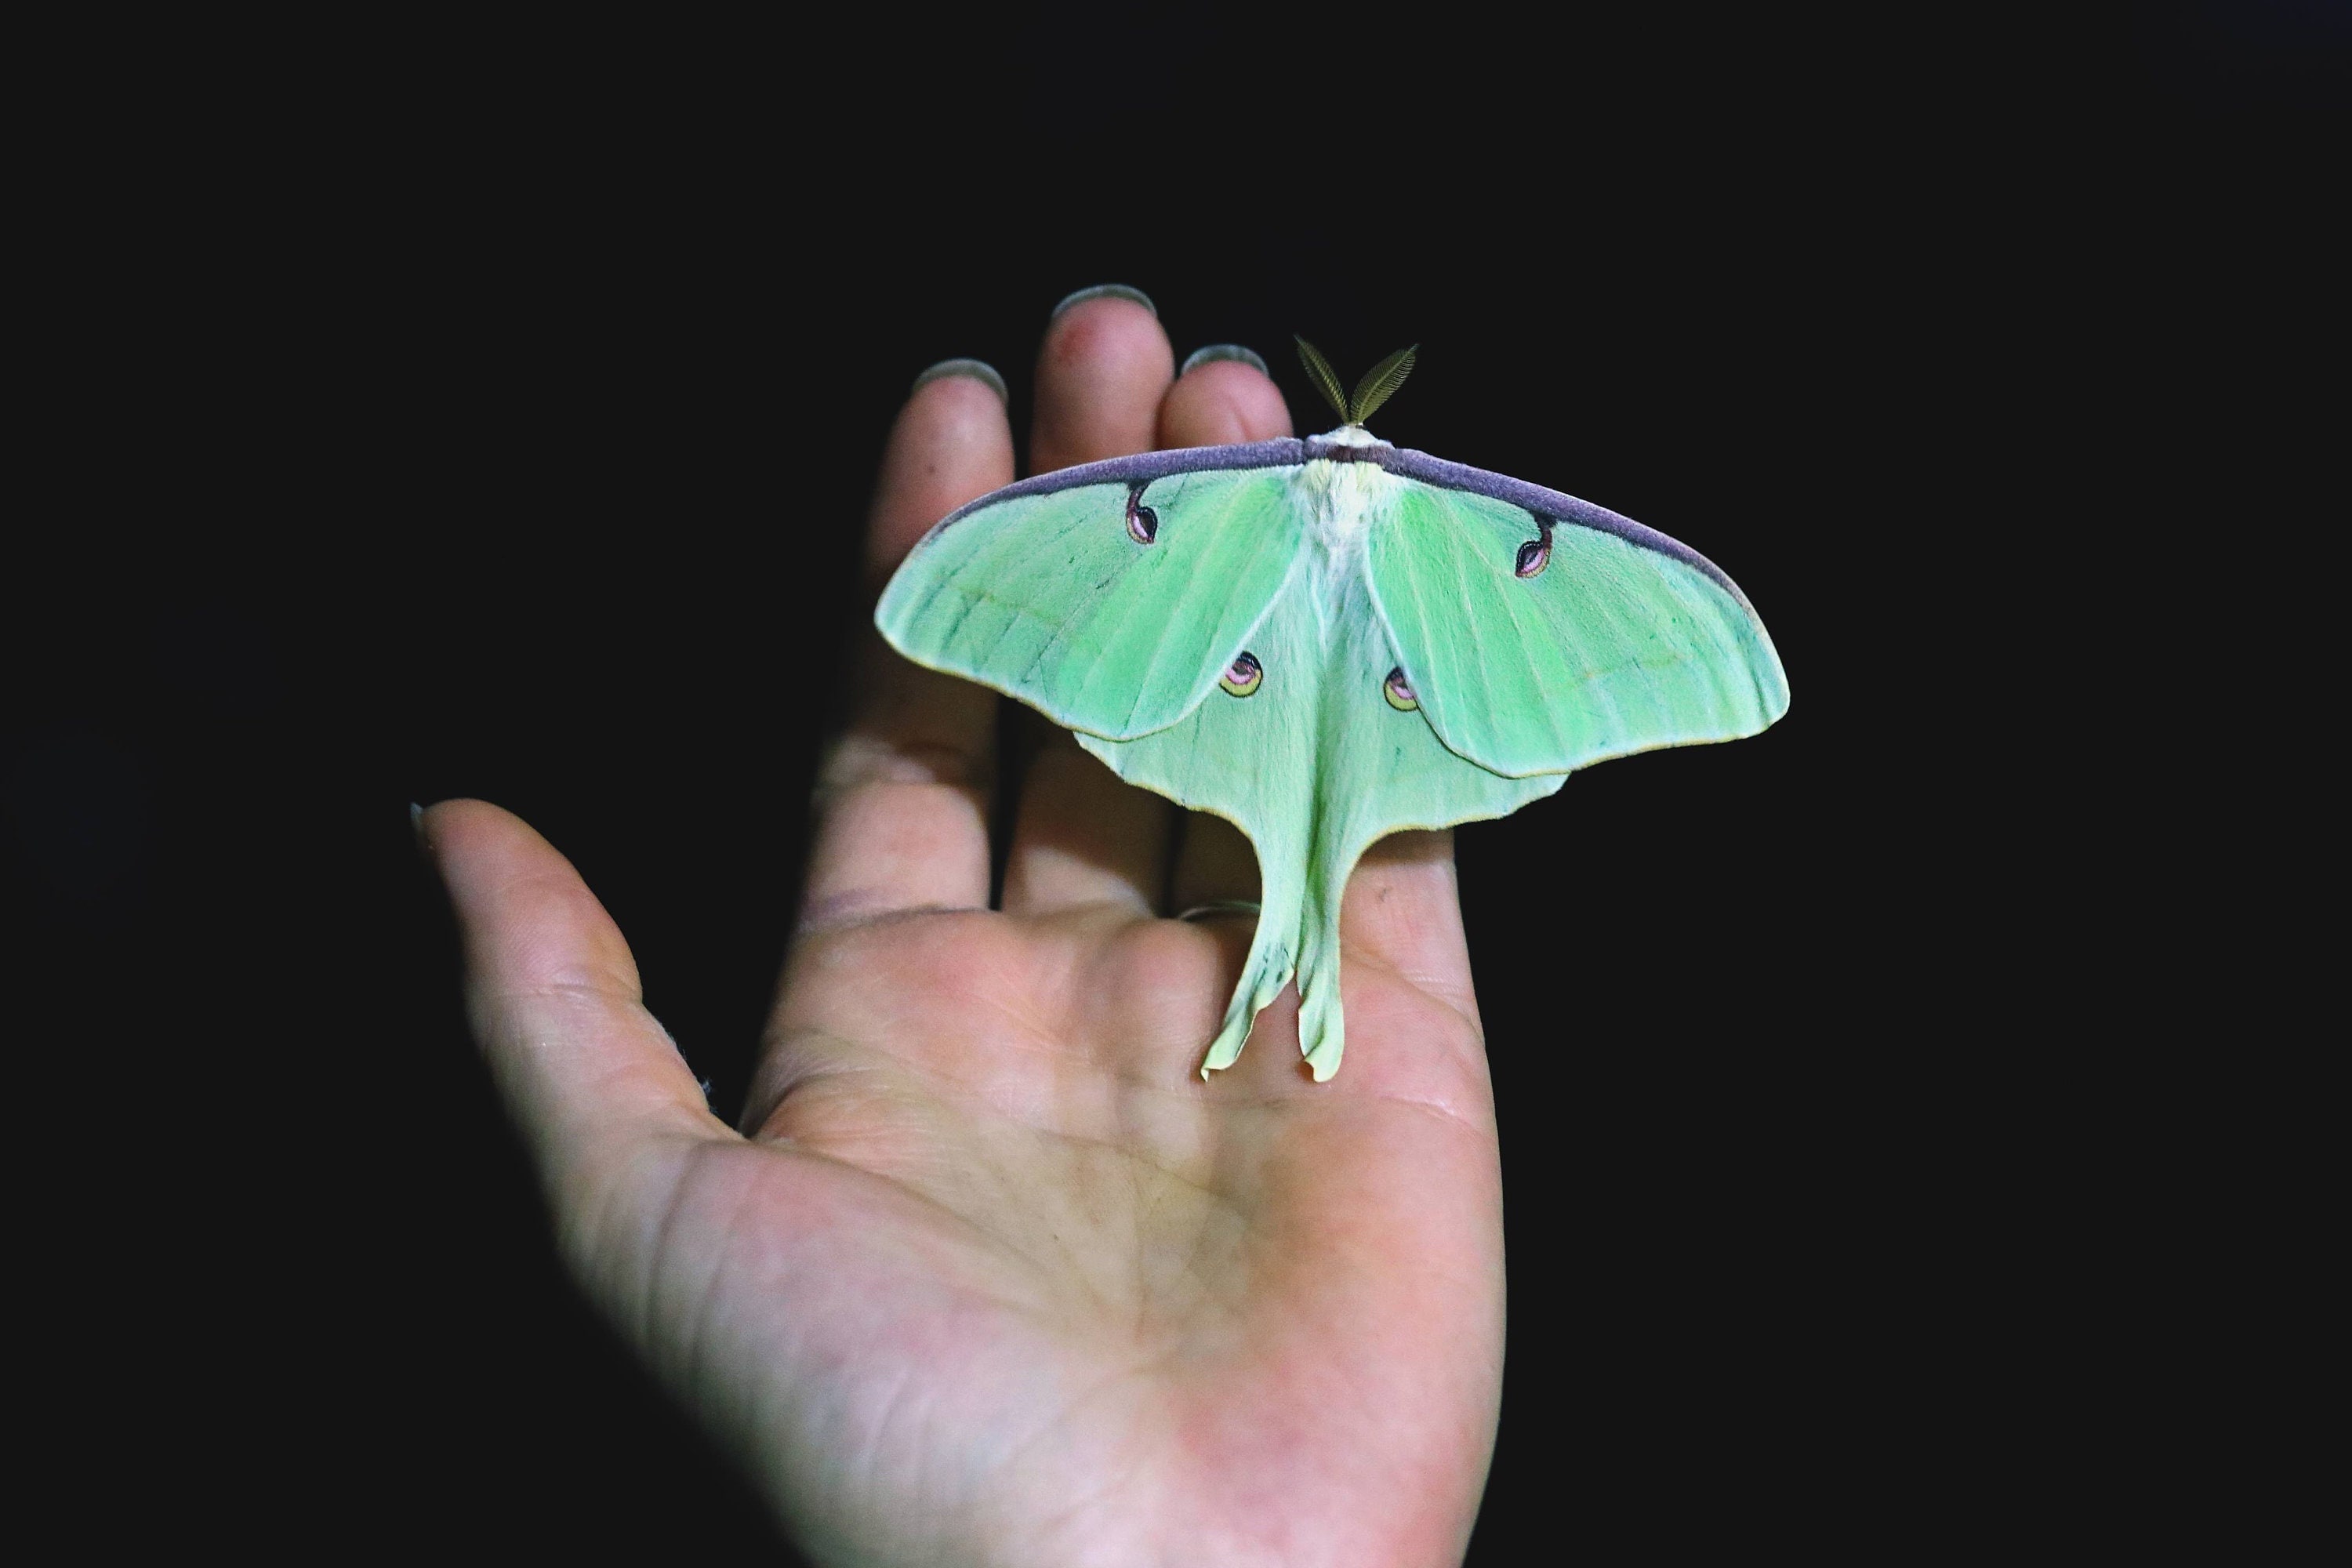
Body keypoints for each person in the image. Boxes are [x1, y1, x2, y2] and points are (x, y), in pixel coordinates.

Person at [416, 288, 1504, 1566]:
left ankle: (1282, 979)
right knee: (1296, 859)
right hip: (1274, 673)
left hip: (1332, 674)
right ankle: (1293, 980)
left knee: (1308, 848)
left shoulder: (1286, 494)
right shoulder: (1366, 506)